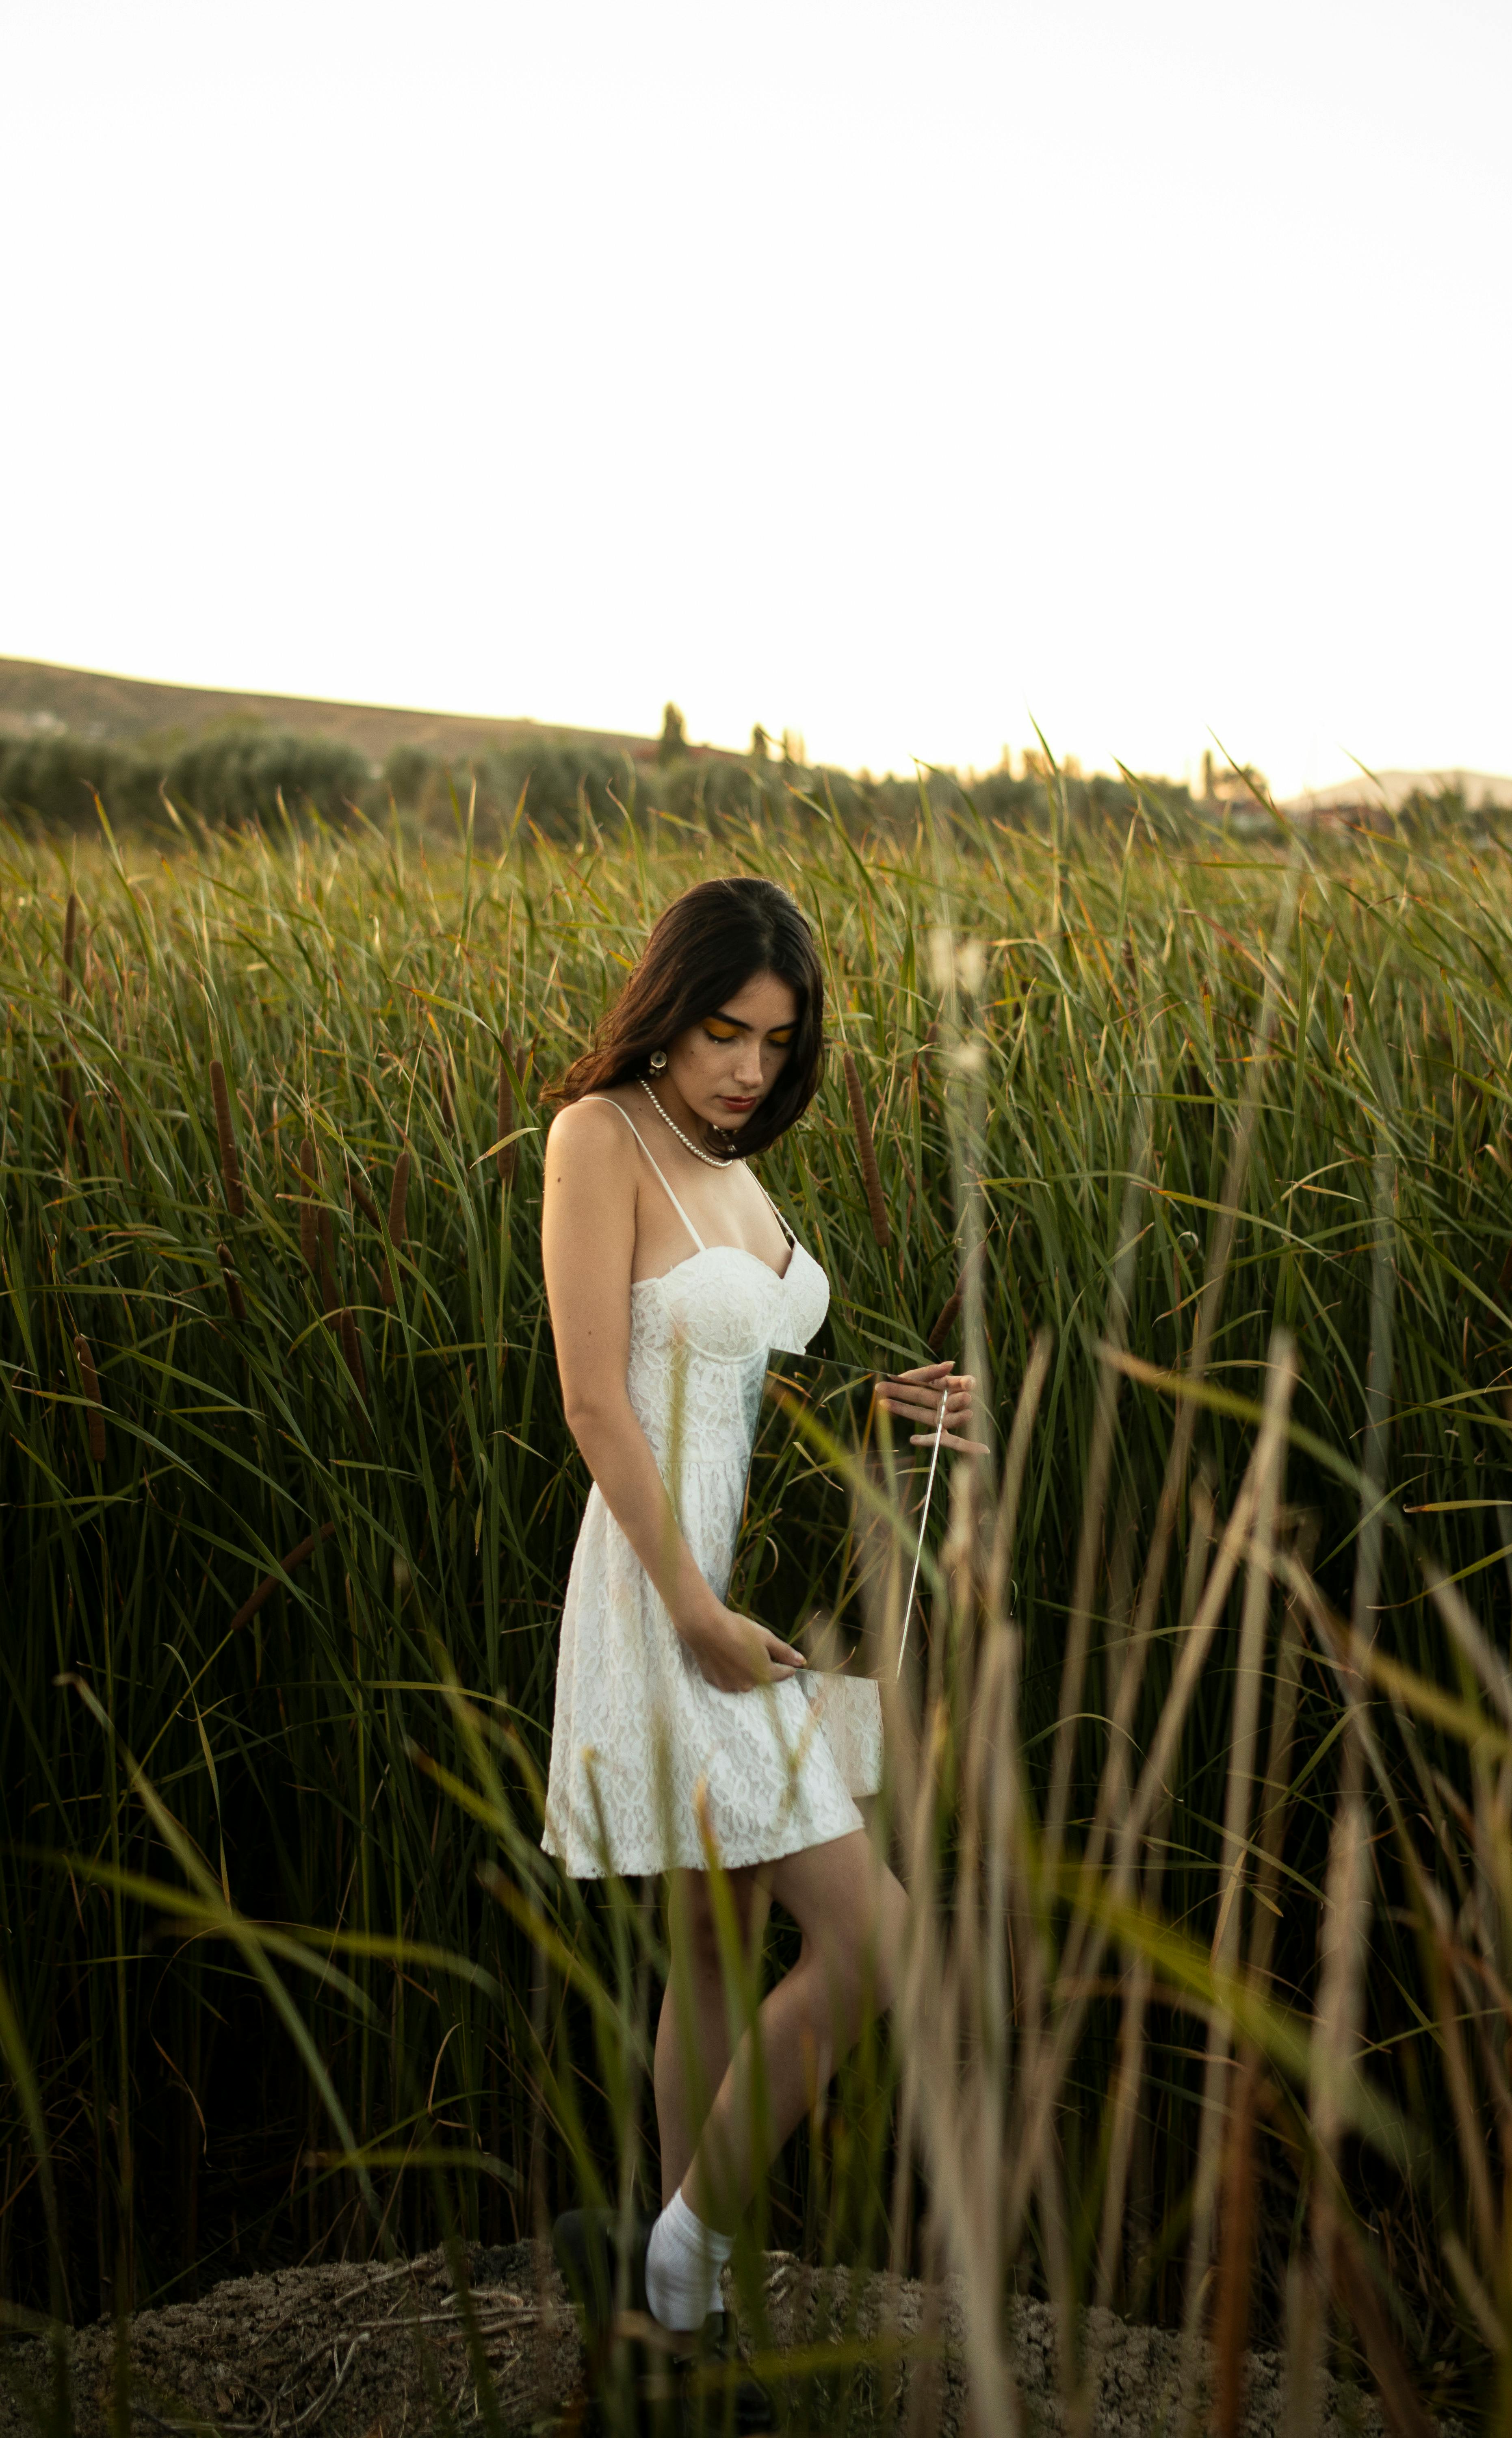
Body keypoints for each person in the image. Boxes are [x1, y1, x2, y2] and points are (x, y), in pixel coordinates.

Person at [539, 875, 978, 2413]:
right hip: (669, 1599)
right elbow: (601, 1399)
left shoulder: (733, 1166)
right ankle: (679, 2249)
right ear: (667, 1009)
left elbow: (737, 1396)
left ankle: (684, 2294)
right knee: (883, 1938)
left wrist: (875, 1412)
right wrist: (692, 1611)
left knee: (721, 1946)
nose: (746, 1067)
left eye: (777, 1045)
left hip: (756, 1599)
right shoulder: (601, 1139)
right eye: (725, 1031)